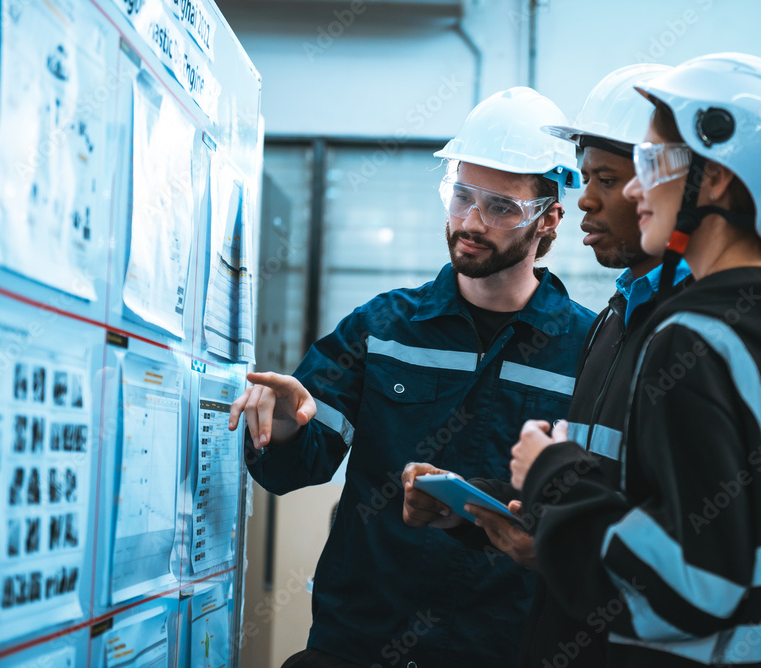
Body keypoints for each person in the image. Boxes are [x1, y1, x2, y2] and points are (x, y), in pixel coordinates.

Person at [510, 53, 761, 666]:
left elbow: (681, 591)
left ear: (717, 180)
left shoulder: (695, 341)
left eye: (650, 163)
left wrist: (554, 474)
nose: (638, 187)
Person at [229, 86, 596, 668]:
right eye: (461, 196)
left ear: (548, 220)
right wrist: (288, 426)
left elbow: (592, 513)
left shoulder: (588, 351)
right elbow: (296, 465)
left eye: (500, 206)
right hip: (360, 643)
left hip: (500, 647)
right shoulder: (382, 328)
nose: (471, 222)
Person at [401, 64, 689, 667]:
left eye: (607, 178)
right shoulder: (617, 322)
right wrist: (481, 508)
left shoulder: (690, 335)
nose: (587, 198)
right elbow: (602, 498)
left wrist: (551, 480)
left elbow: (693, 556)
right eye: (463, 196)